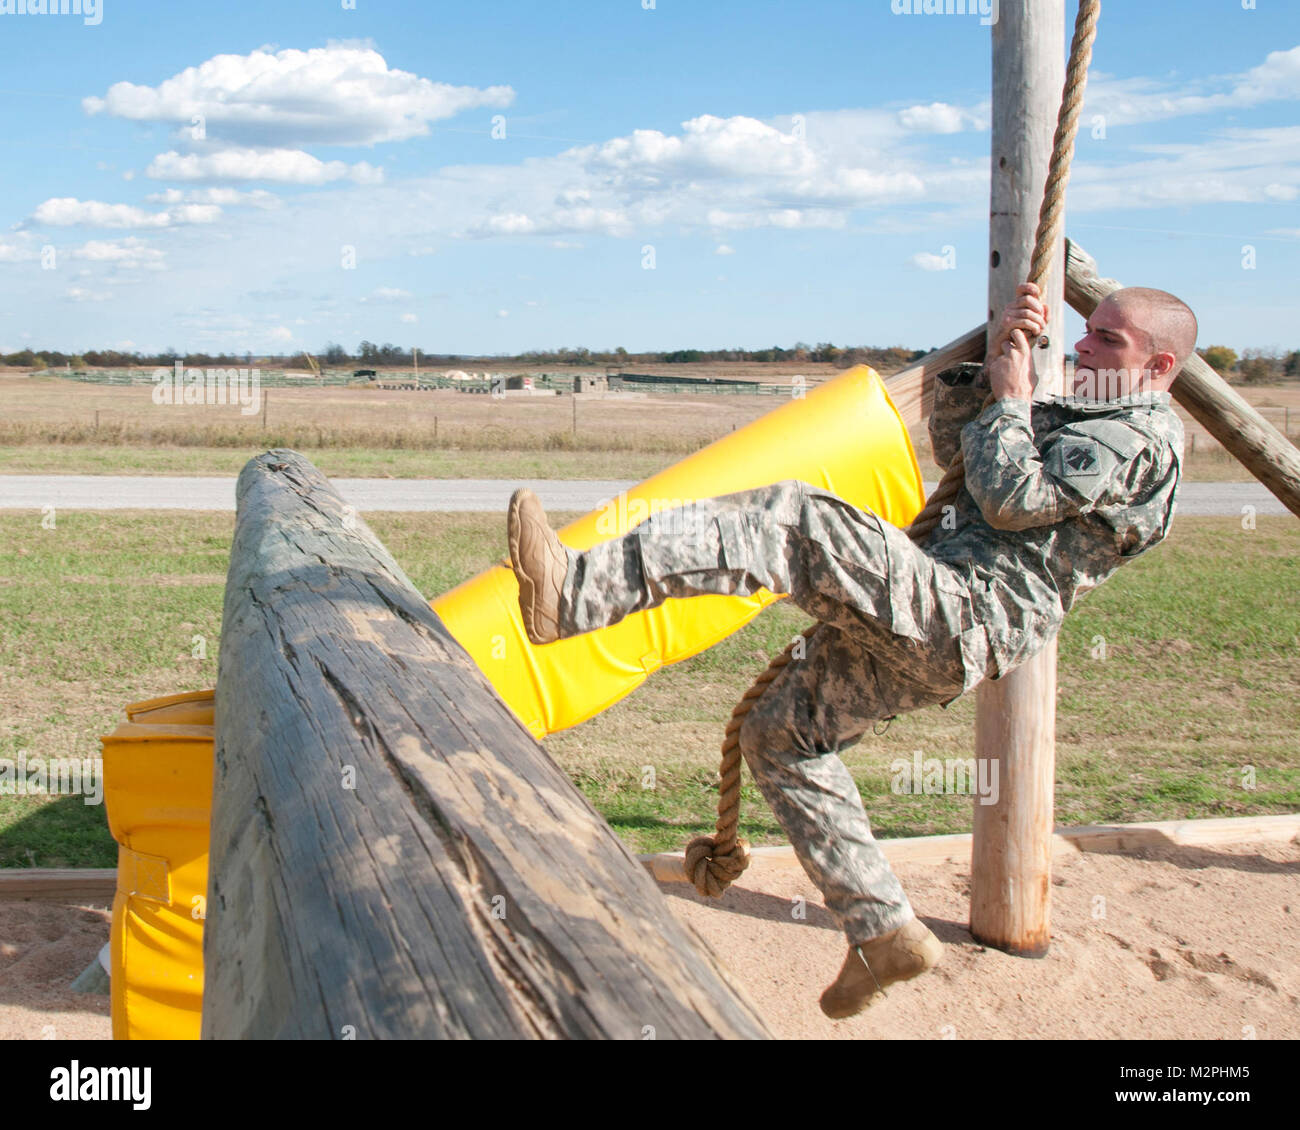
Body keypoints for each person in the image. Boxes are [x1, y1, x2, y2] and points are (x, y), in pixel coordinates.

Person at [506, 281, 1196, 1019]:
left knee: (793, 519)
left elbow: (1007, 499)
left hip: (966, 612)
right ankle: (882, 931)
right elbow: (963, 453)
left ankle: (578, 594)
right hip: (953, 613)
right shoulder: (1089, 409)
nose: (1084, 343)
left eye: (1107, 339)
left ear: (1158, 368)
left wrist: (1014, 396)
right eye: (1087, 328)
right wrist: (1003, 359)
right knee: (782, 732)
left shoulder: (1140, 438)